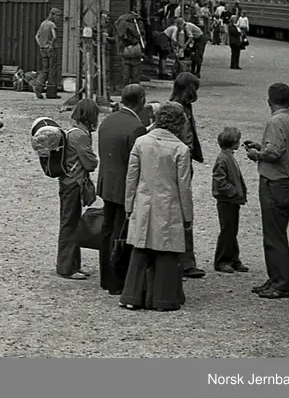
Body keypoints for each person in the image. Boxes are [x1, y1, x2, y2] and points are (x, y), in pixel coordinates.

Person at [120, 102, 194, 312]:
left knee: (140, 251)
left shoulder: (141, 142)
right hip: (169, 206)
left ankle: (131, 296)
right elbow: (184, 188)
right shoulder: (180, 149)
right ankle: (163, 299)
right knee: (166, 253)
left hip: (143, 203)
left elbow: (131, 178)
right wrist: (188, 215)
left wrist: (129, 205)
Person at [244, 82, 289, 300]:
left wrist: (257, 155)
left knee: (274, 236)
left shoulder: (275, 121)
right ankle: (275, 277)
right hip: (288, 181)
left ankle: (281, 283)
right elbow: (284, 149)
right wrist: (262, 147)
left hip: (274, 182)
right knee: (276, 233)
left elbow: (274, 153)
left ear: (269, 100)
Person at [97, 84, 149, 294]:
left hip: (107, 182)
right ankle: (117, 280)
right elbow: (138, 161)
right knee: (121, 234)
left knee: (107, 230)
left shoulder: (108, 120)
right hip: (124, 186)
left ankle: (105, 276)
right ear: (141, 101)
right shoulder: (135, 127)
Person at [166, 72, 206, 279]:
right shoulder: (178, 111)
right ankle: (184, 261)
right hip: (180, 164)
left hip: (181, 163)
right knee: (182, 210)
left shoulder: (177, 108)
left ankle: (182, 259)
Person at [57, 100, 100, 281]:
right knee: (70, 224)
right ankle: (66, 267)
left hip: (68, 181)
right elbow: (90, 163)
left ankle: (73, 264)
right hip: (74, 183)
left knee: (71, 222)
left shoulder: (71, 131)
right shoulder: (80, 135)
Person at [211, 126, 249, 273]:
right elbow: (219, 180)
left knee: (232, 230)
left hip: (232, 200)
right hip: (226, 200)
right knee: (227, 230)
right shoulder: (223, 158)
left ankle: (233, 258)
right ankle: (222, 260)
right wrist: (233, 192)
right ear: (233, 142)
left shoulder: (228, 156)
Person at [32, 9, 60, 100]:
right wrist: (51, 45)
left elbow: (37, 36)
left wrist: (41, 45)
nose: (58, 18)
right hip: (51, 50)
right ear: (53, 15)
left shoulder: (43, 23)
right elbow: (54, 36)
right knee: (53, 70)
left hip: (43, 49)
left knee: (45, 70)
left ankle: (38, 88)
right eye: (58, 16)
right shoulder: (52, 24)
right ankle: (51, 93)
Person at [117, 11, 145, 88]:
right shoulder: (136, 26)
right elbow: (140, 36)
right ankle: (135, 91)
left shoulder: (121, 24)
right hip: (135, 50)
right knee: (135, 75)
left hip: (125, 51)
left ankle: (125, 90)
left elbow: (120, 38)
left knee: (126, 75)